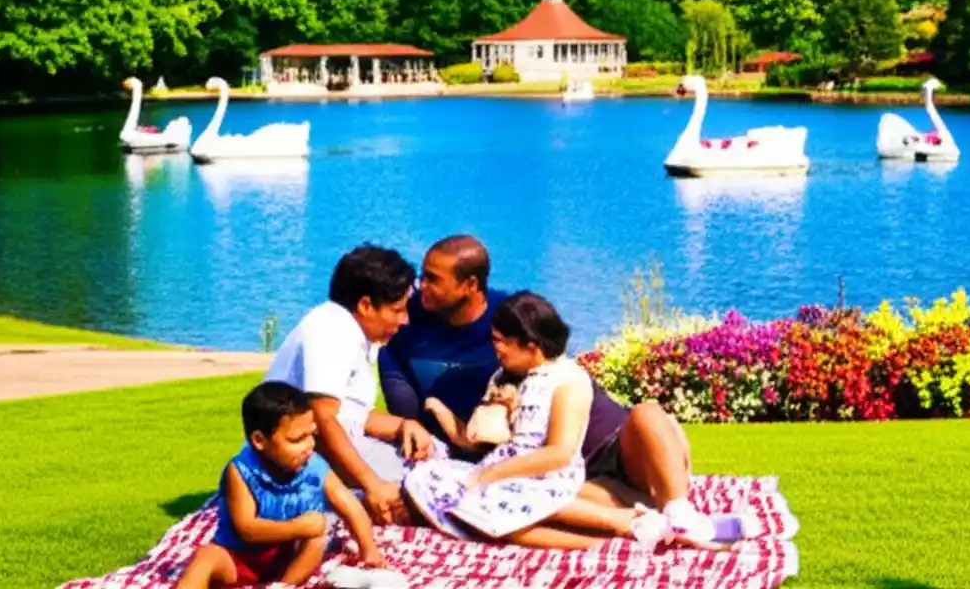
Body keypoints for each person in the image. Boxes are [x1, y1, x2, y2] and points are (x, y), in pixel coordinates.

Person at [380, 236, 755, 545]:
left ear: (470, 286)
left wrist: (490, 472)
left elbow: (557, 428)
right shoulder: (409, 331)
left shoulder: (519, 325)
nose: (419, 288)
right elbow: (447, 426)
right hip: (568, 477)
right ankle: (665, 524)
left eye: (431, 279)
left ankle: (679, 511)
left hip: (609, 447)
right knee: (523, 502)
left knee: (648, 413)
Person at [402, 292, 652, 549]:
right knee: (439, 481)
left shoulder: (567, 379)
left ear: (530, 346)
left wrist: (493, 474)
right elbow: (475, 438)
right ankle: (601, 543)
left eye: (500, 341)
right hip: (511, 468)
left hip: (547, 474)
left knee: (482, 502)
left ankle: (615, 523)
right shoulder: (506, 376)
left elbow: (559, 454)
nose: (495, 348)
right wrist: (439, 409)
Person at [263, 243, 441, 527]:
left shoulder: (349, 330)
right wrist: (373, 485)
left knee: (438, 461)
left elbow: (348, 412)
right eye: (397, 310)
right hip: (302, 459)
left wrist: (403, 425)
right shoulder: (332, 332)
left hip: (331, 449)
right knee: (429, 491)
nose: (405, 320)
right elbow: (322, 416)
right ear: (366, 305)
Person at [176, 382, 385, 588]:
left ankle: (283, 586)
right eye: (297, 439)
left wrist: (369, 549)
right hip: (238, 558)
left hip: (288, 562)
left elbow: (350, 506)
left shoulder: (315, 467)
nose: (309, 446)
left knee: (315, 538)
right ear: (259, 440)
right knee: (205, 556)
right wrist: (297, 527)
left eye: (312, 435)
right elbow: (247, 529)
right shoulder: (241, 472)